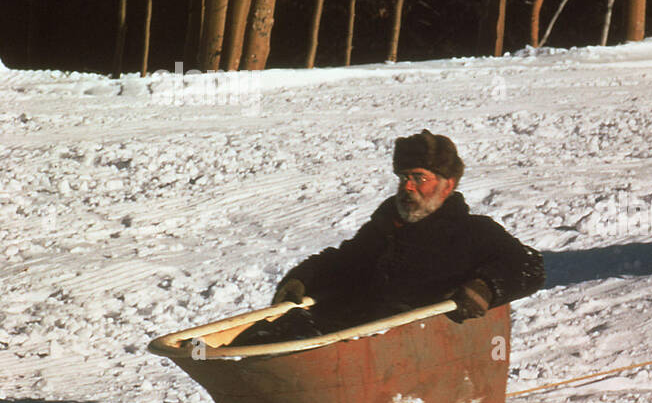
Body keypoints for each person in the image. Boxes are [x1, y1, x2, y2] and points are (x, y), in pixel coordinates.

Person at [232, 131, 544, 345]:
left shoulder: (472, 232)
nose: (408, 188)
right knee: (265, 334)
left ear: (447, 185)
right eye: (404, 178)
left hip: (402, 345)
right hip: (350, 328)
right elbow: (345, 262)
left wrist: (485, 287)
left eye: (419, 178)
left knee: (291, 339)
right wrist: (302, 279)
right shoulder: (387, 227)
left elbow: (528, 265)